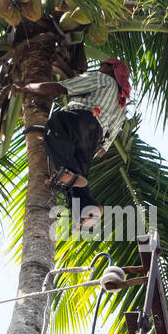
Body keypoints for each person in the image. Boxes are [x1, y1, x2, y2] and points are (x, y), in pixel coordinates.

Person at [14, 58, 131, 229]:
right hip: (94, 139)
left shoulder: (103, 79)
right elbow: (105, 147)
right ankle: (89, 209)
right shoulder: (121, 104)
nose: (99, 67)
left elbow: (62, 87)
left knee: (54, 128)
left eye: (102, 64)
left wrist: (27, 87)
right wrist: (96, 149)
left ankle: (68, 171)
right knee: (73, 183)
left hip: (81, 119)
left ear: (110, 68)